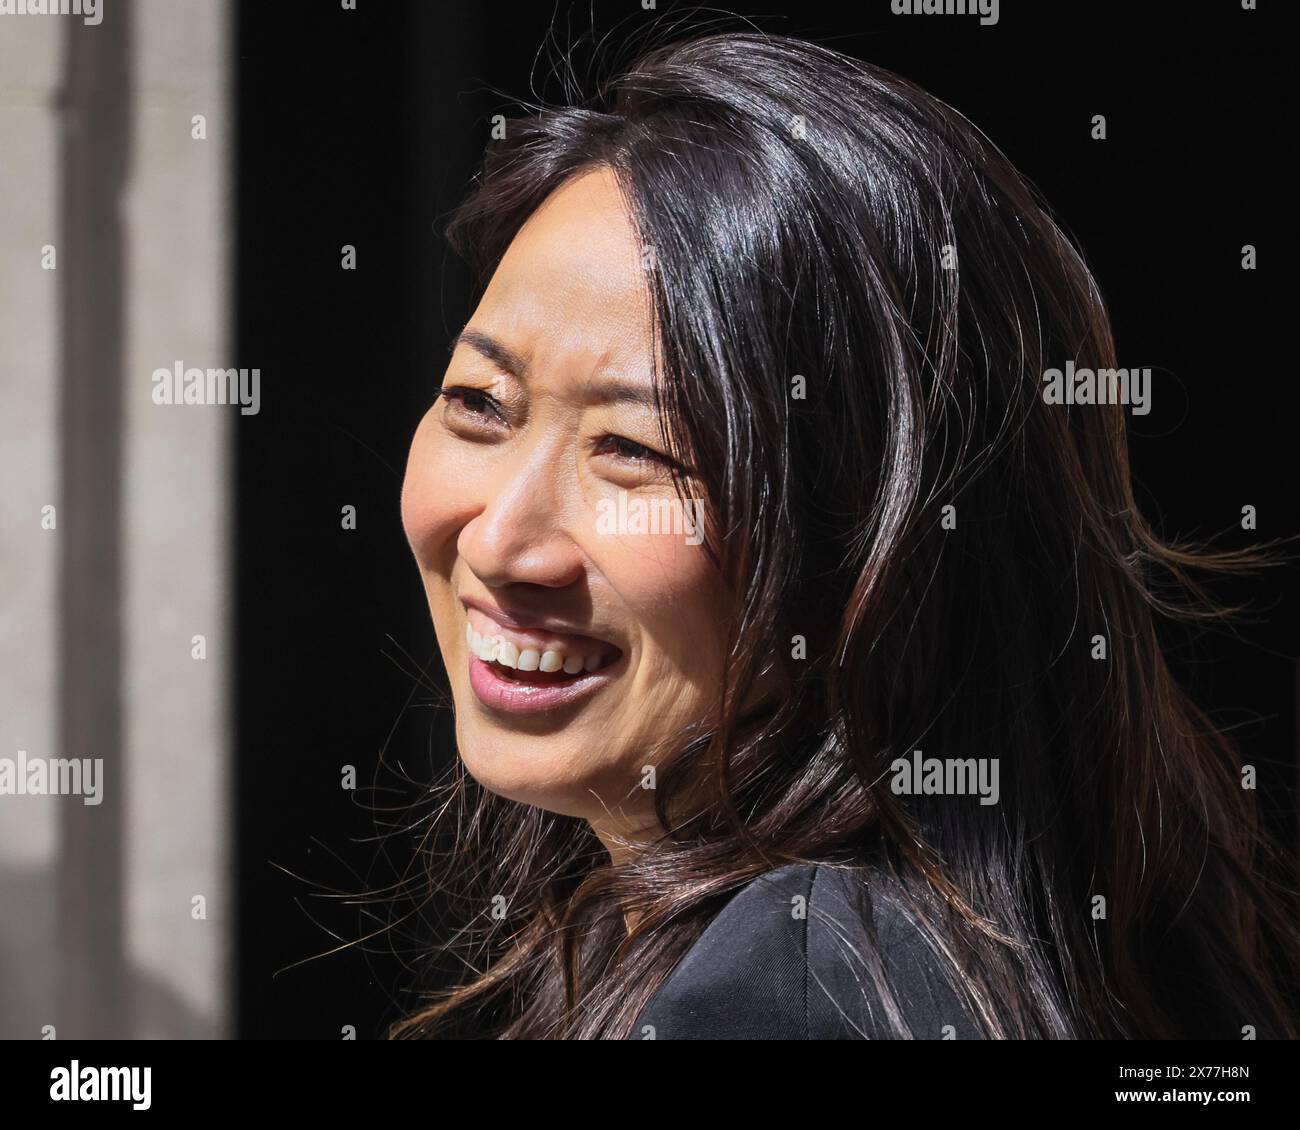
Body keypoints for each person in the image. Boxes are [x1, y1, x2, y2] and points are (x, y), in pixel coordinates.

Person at [392, 31, 1299, 1039]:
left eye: (639, 449)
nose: (502, 541)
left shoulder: (794, 984)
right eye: (480, 403)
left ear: (873, 537)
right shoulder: (899, 950)